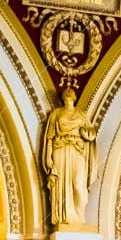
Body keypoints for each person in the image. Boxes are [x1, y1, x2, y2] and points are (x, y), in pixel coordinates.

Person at [41, 84, 97, 228]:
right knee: (61, 185)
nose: (69, 94)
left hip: (77, 150)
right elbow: (49, 137)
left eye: (71, 93)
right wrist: (48, 158)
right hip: (60, 149)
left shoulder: (82, 115)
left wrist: (88, 135)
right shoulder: (56, 114)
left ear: (75, 97)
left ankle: (79, 217)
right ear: (62, 97)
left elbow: (91, 136)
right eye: (66, 94)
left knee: (79, 185)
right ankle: (63, 217)